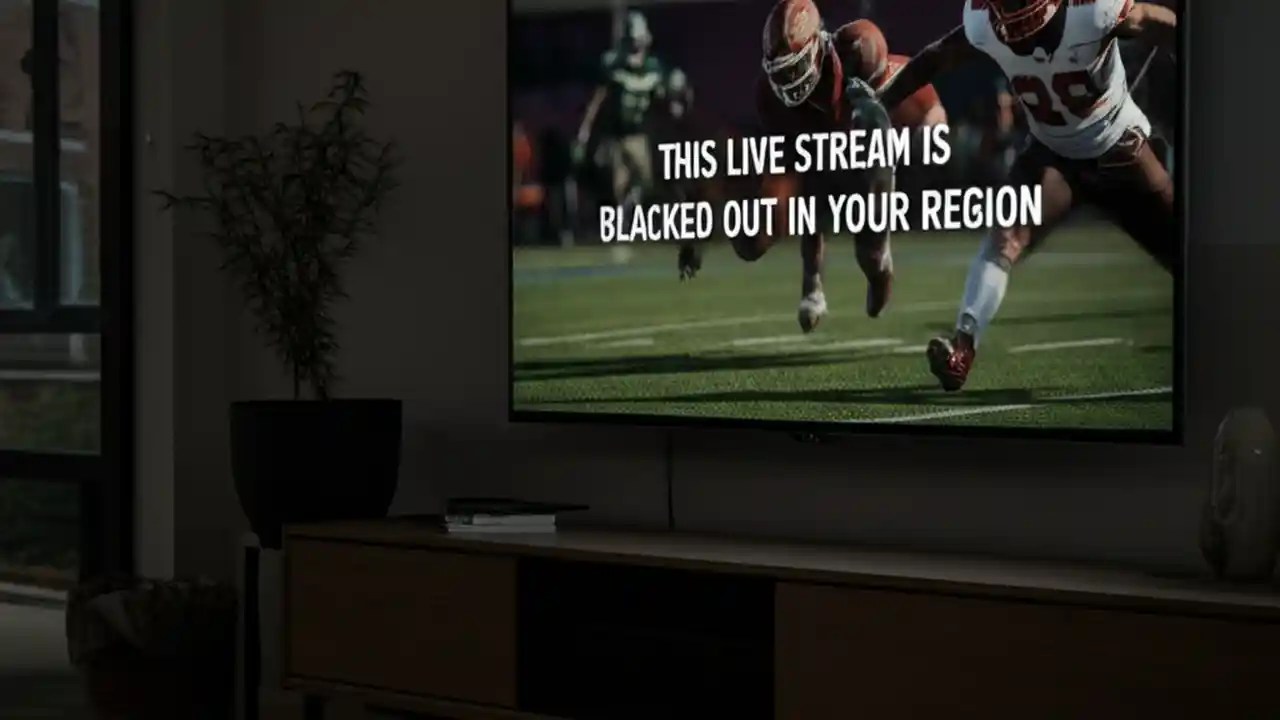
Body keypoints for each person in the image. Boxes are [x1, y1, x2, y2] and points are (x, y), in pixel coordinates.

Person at [874, 0, 1177, 391]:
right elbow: (937, 58)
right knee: (1004, 238)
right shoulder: (985, 21)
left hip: (1119, 149)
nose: (1015, 23)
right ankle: (962, 348)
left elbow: (1159, 23)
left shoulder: (1094, 10)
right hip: (1052, 156)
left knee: (1180, 246)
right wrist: (882, 101)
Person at [750, 1, 945, 332]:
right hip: (824, 148)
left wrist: (929, 125)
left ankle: (880, 264)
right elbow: (792, 163)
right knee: (806, 189)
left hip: (868, 154)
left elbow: (914, 80)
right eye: (781, 73)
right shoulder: (771, 97)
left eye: (795, 69)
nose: (789, 82)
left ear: (817, 47)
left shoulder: (858, 52)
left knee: (868, 254)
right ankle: (812, 286)